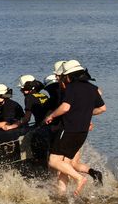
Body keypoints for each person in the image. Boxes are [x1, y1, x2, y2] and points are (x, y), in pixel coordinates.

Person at [43, 60, 106, 196]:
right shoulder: (92, 88)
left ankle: (79, 178)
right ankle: (62, 195)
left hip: (68, 129)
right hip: (82, 132)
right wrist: (86, 113)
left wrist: (51, 116)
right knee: (65, 164)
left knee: (53, 161)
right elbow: (102, 108)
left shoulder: (71, 87)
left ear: (69, 75)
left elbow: (65, 107)